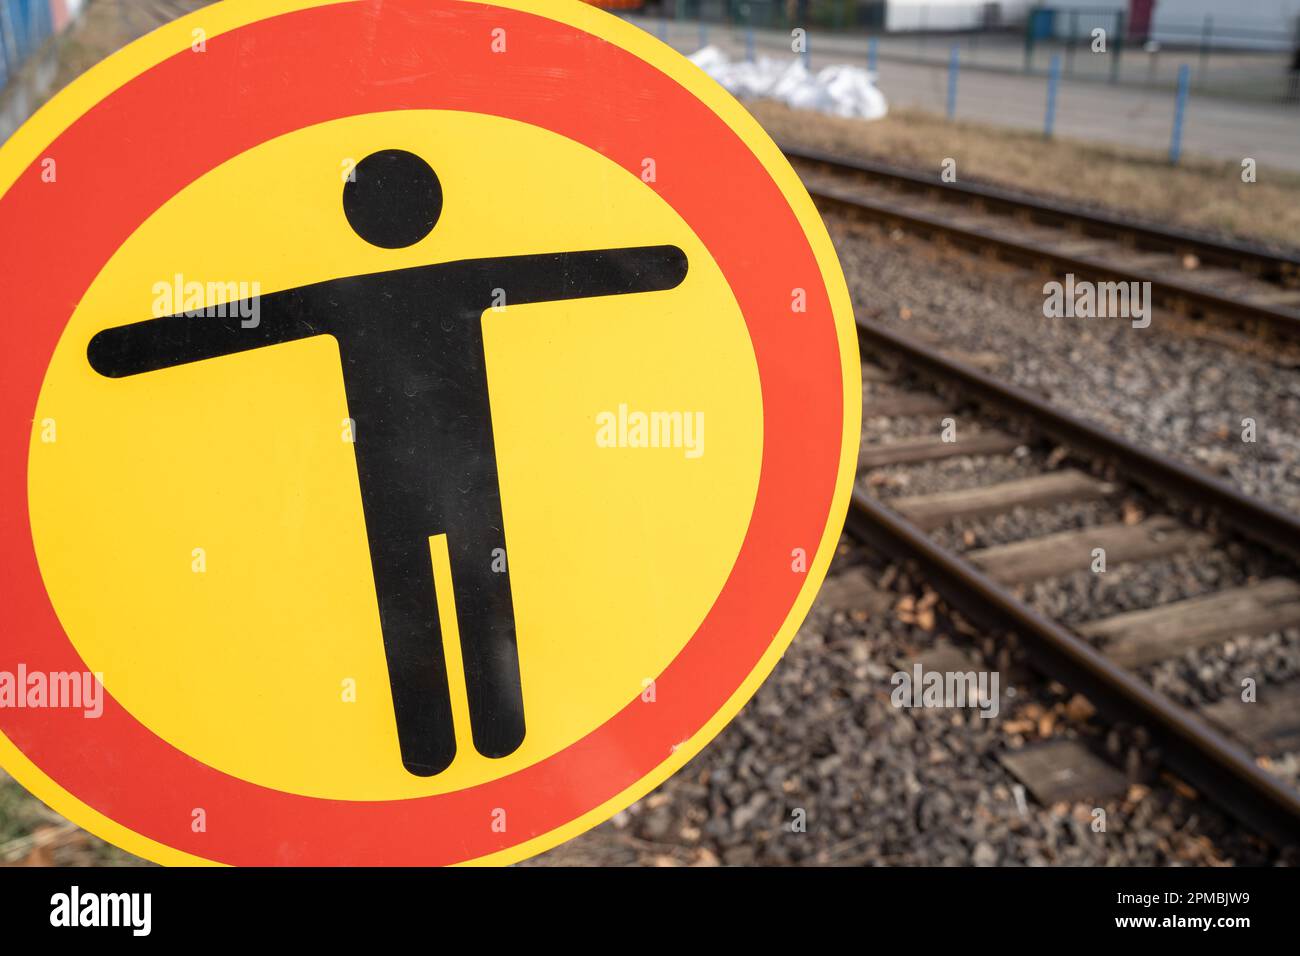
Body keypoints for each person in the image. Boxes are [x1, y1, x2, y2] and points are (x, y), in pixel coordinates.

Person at [87, 149, 689, 776]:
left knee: (412, 616)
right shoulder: (465, 277)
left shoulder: (334, 297)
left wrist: (112, 351)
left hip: (390, 485)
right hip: (466, 481)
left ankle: (430, 748)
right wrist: (668, 266)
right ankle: (497, 731)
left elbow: (220, 326)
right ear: (429, 211)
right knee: (482, 603)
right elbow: (579, 272)